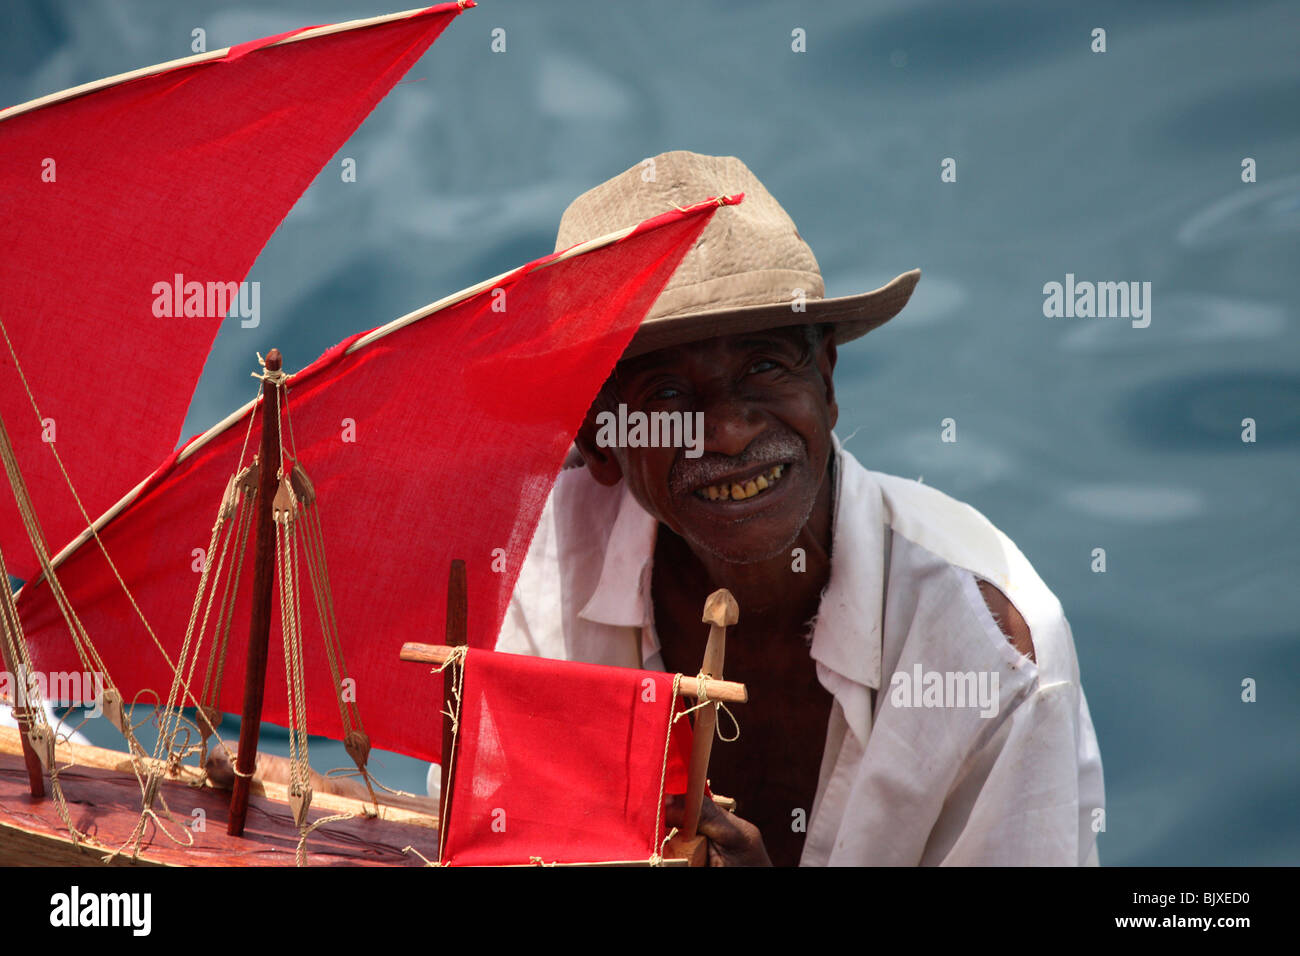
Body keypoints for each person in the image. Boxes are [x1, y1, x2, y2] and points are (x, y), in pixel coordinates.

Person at [471, 150, 1104, 866]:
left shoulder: (991, 650)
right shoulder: (529, 567)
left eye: (765, 367)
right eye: (669, 397)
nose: (732, 431)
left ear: (826, 380)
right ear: (601, 440)